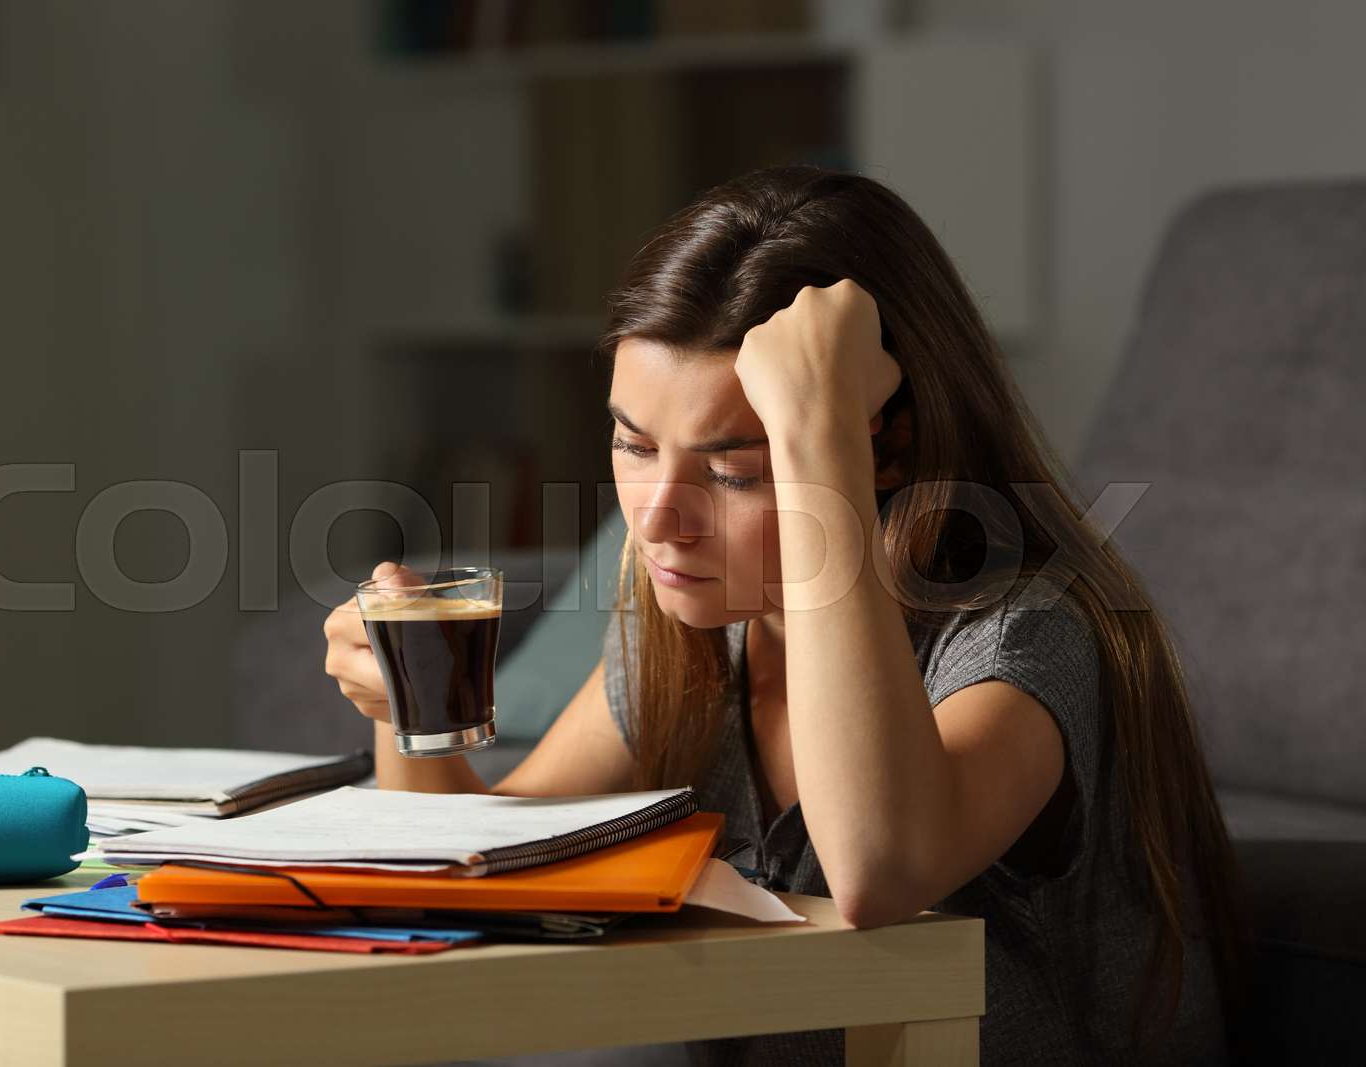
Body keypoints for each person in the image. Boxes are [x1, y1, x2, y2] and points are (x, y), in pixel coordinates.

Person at [323, 166, 1244, 1066]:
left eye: (735, 470)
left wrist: (818, 432)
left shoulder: (1022, 634)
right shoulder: (694, 639)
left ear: (879, 450)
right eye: (634, 445)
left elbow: (879, 868)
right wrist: (410, 704)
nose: (656, 519)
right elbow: (480, 863)